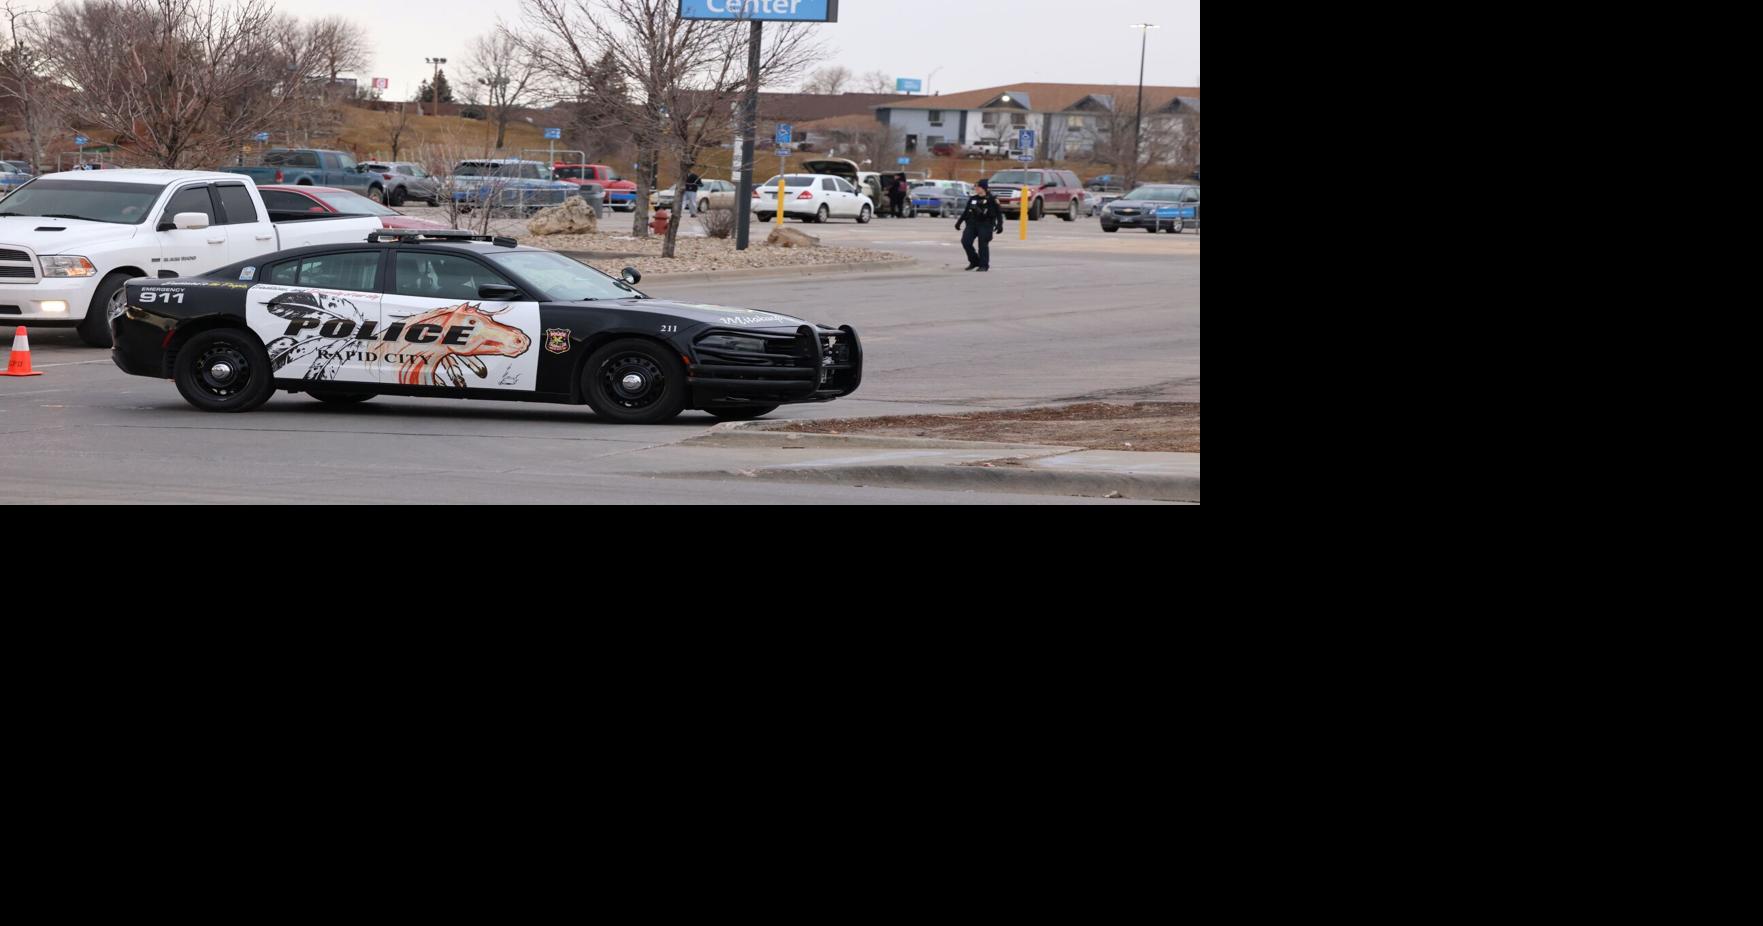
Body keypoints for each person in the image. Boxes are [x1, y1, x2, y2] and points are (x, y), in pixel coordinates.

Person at [955, 178, 1004, 271]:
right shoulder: (973, 198)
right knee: (965, 241)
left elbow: (998, 213)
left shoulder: (992, 199)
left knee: (983, 244)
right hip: (972, 224)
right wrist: (959, 222)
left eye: (978, 186)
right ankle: (974, 261)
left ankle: (984, 265)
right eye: (975, 186)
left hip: (986, 224)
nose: (976, 188)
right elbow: (966, 212)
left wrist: (1000, 224)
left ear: (984, 188)